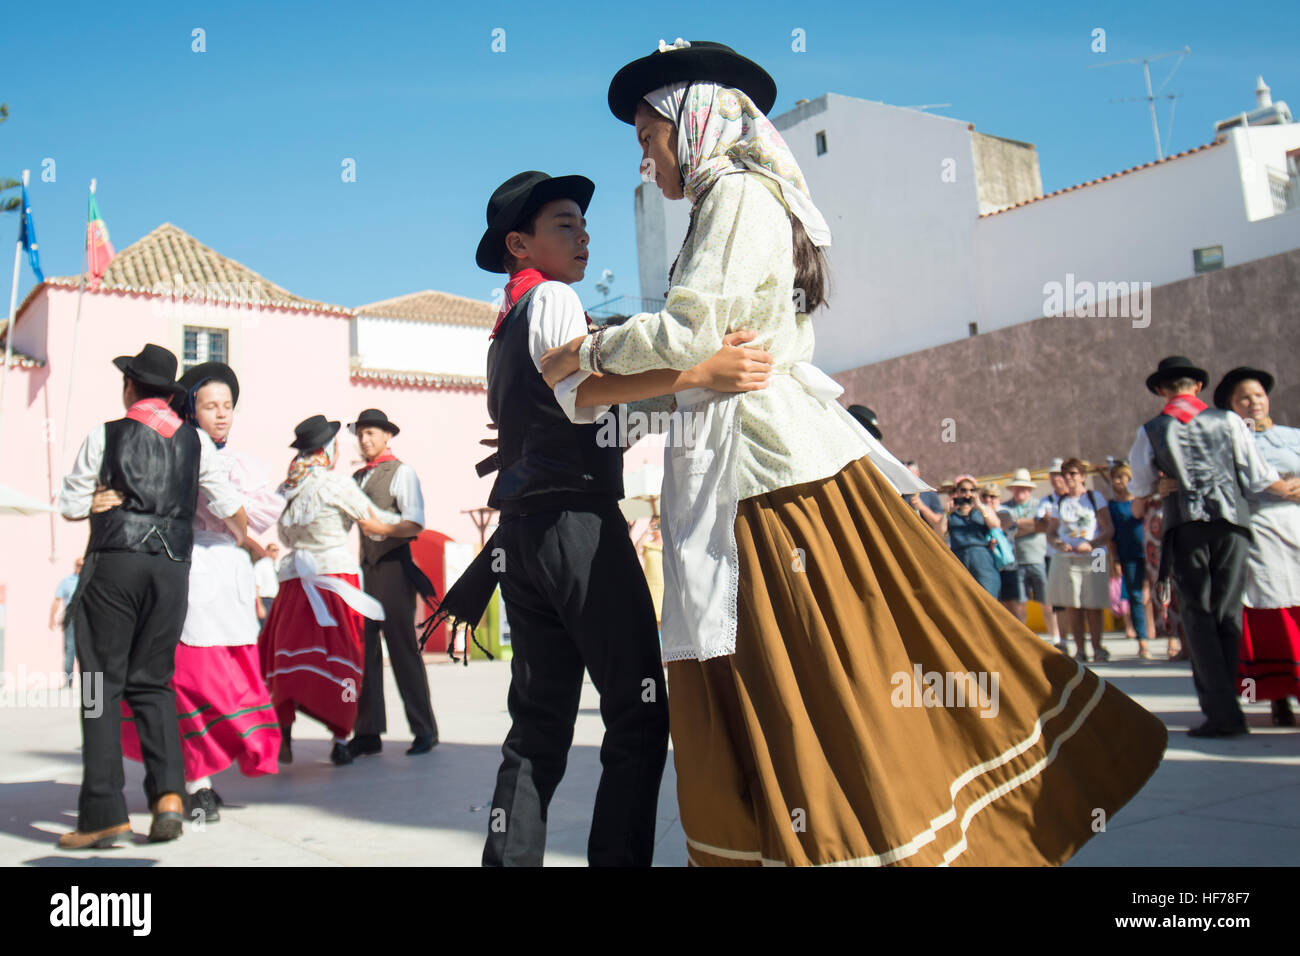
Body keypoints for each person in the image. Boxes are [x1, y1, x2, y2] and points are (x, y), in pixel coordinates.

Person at [541, 39, 1167, 866]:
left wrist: (586, 354)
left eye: (648, 138)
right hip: (743, 471)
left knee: (817, 675)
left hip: (769, 482)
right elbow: (701, 363)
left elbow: (690, 333)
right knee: (819, 672)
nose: (647, 159)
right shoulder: (727, 206)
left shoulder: (734, 194)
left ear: (690, 124)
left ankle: (860, 837)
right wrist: (602, 388)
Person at [464, 169, 772, 867]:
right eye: (564, 225)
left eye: (582, 224)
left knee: (537, 726)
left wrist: (660, 402)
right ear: (520, 243)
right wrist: (697, 375)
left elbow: (589, 414)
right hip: (576, 526)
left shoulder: (505, 325)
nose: (583, 235)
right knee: (639, 713)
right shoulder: (553, 301)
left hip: (525, 534)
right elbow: (582, 398)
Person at [55, 344, 246, 849]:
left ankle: (102, 811)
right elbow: (227, 504)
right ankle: (168, 797)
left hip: (115, 563)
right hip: (172, 569)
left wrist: (98, 499)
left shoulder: (106, 433)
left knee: (98, 684)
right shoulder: (195, 441)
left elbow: (71, 503)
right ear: (171, 394)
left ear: (129, 388)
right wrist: (247, 536)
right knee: (154, 683)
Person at [118, 362, 284, 823]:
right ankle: (194, 780)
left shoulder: (247, 464)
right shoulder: (176, 449)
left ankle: (197, 773)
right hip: (184, 569)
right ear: (191, 407)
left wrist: (250, 530)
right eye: (210, 405)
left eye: (228, 405)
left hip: (229, 574)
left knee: (230, 678)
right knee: (189, 680)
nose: (222, 413)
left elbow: (252, 521)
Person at [1128, 356, 1300, 737]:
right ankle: (1233, 705)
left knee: (1198, 618)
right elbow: (1257, 476)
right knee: (1228, 614)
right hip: (1234, 526)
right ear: (1198, 387)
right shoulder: (1228, 421)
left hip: (1187, 528)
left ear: (1161, 390)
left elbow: (1138, 488)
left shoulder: (1152, 429)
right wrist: (1287, 489)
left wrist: (1159, 486)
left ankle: (1223, 714)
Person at [258, 416, 394, 766]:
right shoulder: (336, 485)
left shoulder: (286, 487)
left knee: (286, 654)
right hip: (334, 579)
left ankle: (284, 734)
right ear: (329, 448)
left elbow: (282, 537)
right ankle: (339, 740)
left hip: (293, 580)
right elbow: (372, 520)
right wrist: (406, 525)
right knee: (344, 654)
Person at [347, 408, 440, 758]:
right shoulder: (356, 478)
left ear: (387, 436)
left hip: (395, 569)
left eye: (371, 433)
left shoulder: (402, 472)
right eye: (361, 433)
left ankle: (424, 730)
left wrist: (382, 529)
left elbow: (415, 523)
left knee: (402, 650)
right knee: (364, 654)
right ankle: (367, 732)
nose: (365, 439)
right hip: (365, 572)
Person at [1214, 366, 1300, 726]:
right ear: (1233, 407)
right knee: (1271, 614)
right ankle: (1278, 696)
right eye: (1244, 398)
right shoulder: (1227, 443)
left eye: (1258, 395)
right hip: (1260, 531)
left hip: (1296, 525)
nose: (1253, 403)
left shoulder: (1294, 436)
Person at [1045, 458, 1113, 663]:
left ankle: (1097, 647)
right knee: (1072, 604)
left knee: (1094, 603)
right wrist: (1058, 544)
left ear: (1082, 476)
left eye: (1073, 474)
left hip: (1094, 556)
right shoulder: (1060, 502)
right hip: (1067, 558)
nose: (1068, 478)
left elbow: (1108, 528)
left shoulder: (1094, 497)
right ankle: (1080, 649)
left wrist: (1091, 544)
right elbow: (1051, 533)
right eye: (1065, 474)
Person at [1106, 462, 1151, 659]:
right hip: (1128, 554)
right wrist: (1114, 558)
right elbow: (1111, 536)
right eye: (1115, 477)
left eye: (1121, 477)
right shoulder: (1112, 506)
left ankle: (1172, 639)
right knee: (1135, 596)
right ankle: (1143, 642)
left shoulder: (1142, 501)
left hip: (1151, 553)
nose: (1118, 481)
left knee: (1159, 595)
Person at [941, 475, 1003, 597]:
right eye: (963, 490)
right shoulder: (952, 514)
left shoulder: (983, 510)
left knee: (988, 598)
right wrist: (947, 513)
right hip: (959, 558)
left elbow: (995, 525)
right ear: (957, 492)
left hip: (982, 558)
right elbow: (940, 533)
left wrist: (979, 506)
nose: (967, 494)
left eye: (971, 490)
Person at [1000, 468, 1048, 626]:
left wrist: (1016, 525)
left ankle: (1056, 638)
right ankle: (1026, 638)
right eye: (1017, 487)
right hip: (1016, 561)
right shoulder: (1005, 507)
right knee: (1019, 603)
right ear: (1012, 488)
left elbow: (1043, 526)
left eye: (1023, 487)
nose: (1020, 490)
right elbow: (1004, 528)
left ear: (1029, 489)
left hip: (1038, 558)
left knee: (1046, 601)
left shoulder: (1039, 503)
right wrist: (1031, 525)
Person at [1038, 459, 1069, 647]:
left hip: (1079, 555)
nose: (1055, 479)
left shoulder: (1081, 498)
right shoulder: (1047, 500)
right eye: (1052, 475)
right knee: (1059, 601)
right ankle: (1063, 639)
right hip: (1054, 555)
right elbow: (1038, 524)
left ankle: (1088, 643)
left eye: (1058, 474)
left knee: (1081, 600)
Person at [49, 558, 83, 684]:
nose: (80, 567)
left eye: (82, 565)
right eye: (78, 565)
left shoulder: (91, 579)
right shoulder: (67, 581)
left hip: (85, 618)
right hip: (71, 618)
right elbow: (57, 599)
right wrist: (52, 617)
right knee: (69, 649)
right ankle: (68, 681)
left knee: (85, 651)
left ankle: (87, 682)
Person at [903, 460, 944, 536]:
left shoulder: (930, 494)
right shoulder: (900, 495)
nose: (907, 477)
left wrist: (922, 507)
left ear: (918, 473)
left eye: (910, 473)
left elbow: (937, 521)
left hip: (926, 537)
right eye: (904, 474)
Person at [254, 542, 280, 626]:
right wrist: (259, 606)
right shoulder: (261, 565)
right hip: (265, 601)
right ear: (267, 552)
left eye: (277, 550)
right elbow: (255, 586)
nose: (276, 552)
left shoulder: (277, 566)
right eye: (273, 550)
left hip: (276, 601)